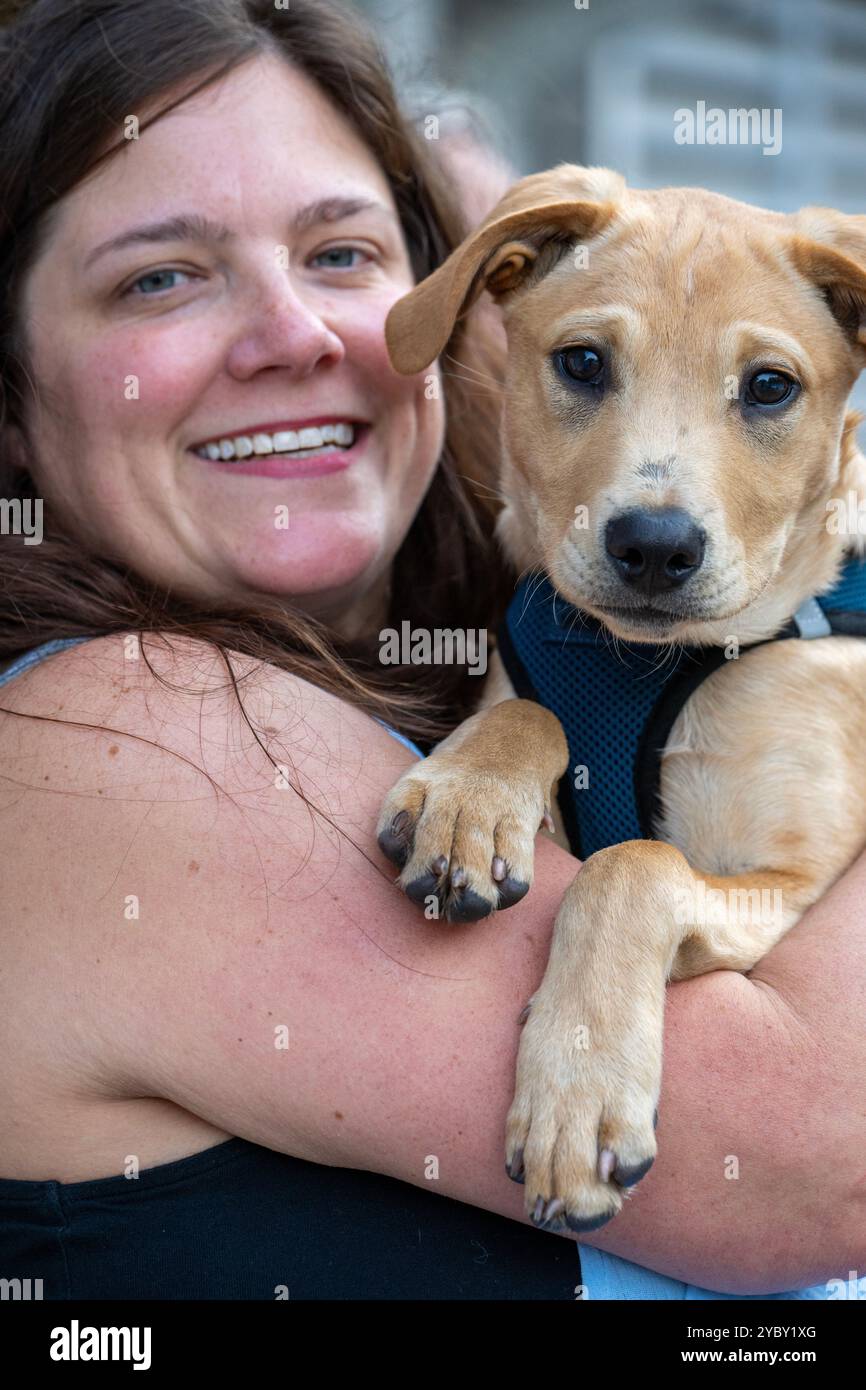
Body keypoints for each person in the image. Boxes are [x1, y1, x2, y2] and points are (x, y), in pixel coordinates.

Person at [0, 0, 861, 1301]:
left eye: (342, 253)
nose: (297, 334)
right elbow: (819, 1158)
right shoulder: (102, 747)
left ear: (442, 307)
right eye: (158, 277)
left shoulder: (494, 663)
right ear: (11, 396)